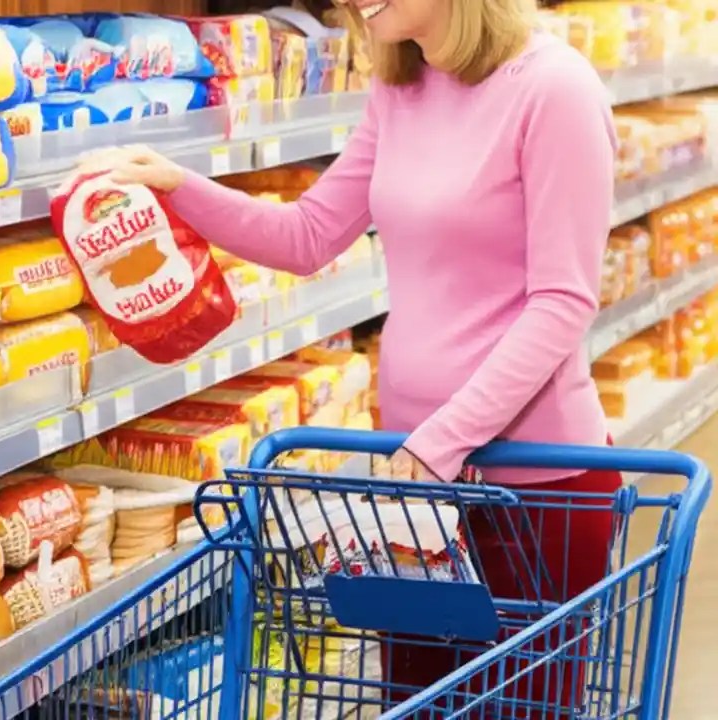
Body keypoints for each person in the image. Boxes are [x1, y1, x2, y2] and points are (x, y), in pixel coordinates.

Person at [76, 0, 620, 715]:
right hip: (417, 491)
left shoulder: (556, 89)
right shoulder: (400, 87)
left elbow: (561, 301)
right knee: (415, 703)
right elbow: (308, 236)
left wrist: (441, 445)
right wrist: (178, 188)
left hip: (535, 488)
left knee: (519, 707)